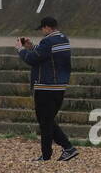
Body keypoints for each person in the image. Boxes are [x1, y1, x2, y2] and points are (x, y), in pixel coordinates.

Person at [16, 16, 76, 162]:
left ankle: (58, 151)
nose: (42, 32)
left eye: (42, 29)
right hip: (59, 87)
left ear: (47, 27)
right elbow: (45, 55)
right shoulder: (63, 39)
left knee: (45, 122)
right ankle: (63, 150)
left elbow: (32, 59)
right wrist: (31, 47)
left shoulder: (48, 41)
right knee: (47, 120)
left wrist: (21, 50)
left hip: (46, 87)